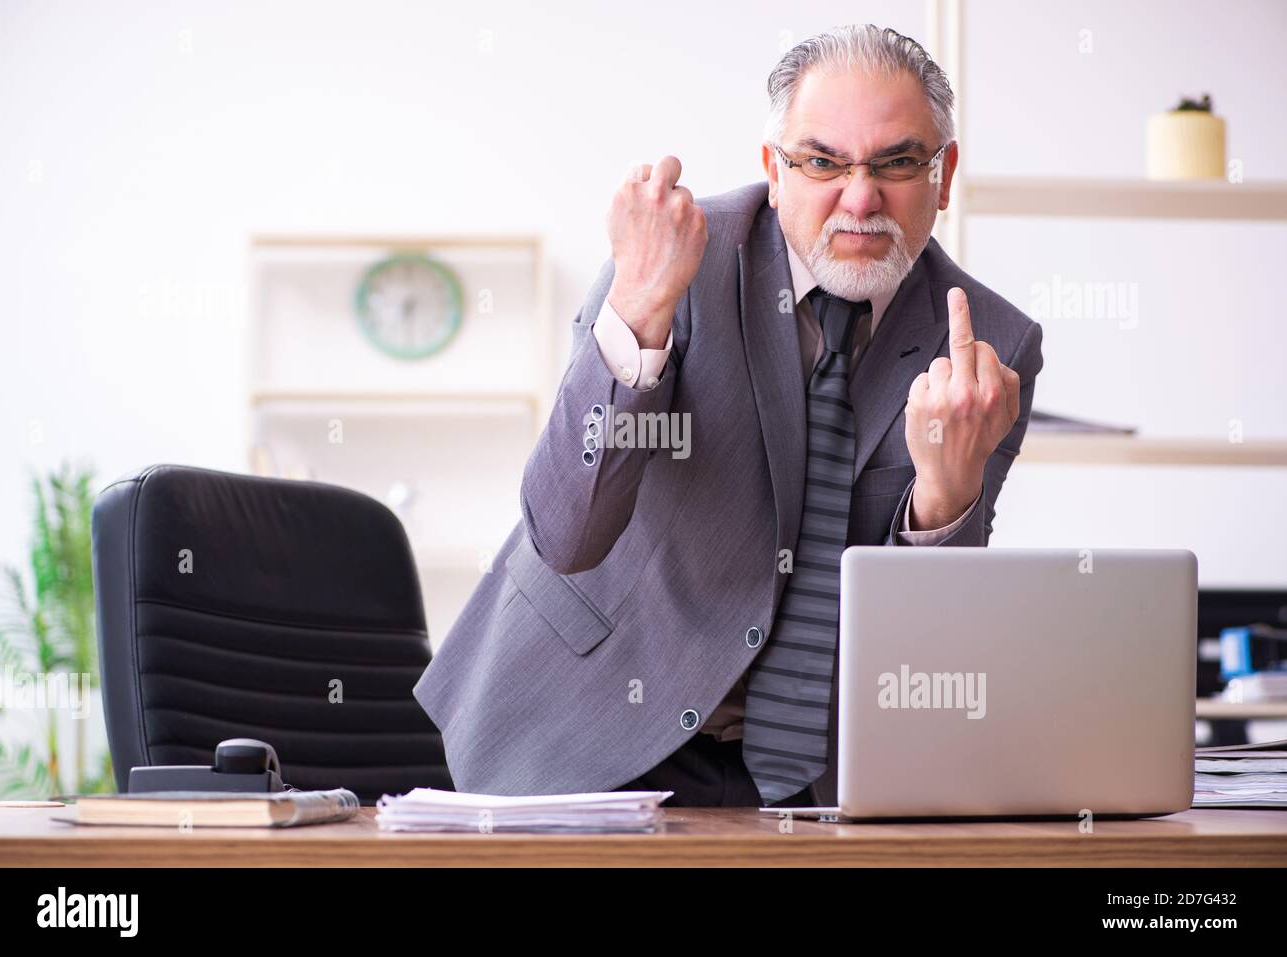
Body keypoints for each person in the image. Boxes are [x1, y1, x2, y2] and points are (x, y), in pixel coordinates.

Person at [413, 23, 1044, 807]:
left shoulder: (991, 347)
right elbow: (566, 533)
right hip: (581, 727)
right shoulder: (674, 262)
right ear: (774, 172)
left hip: (808, 778)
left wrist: (946, 500)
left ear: (943, 175)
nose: (860, 197)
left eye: (898, 162)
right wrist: (639, 306)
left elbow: (929, 651)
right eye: (822, 161)